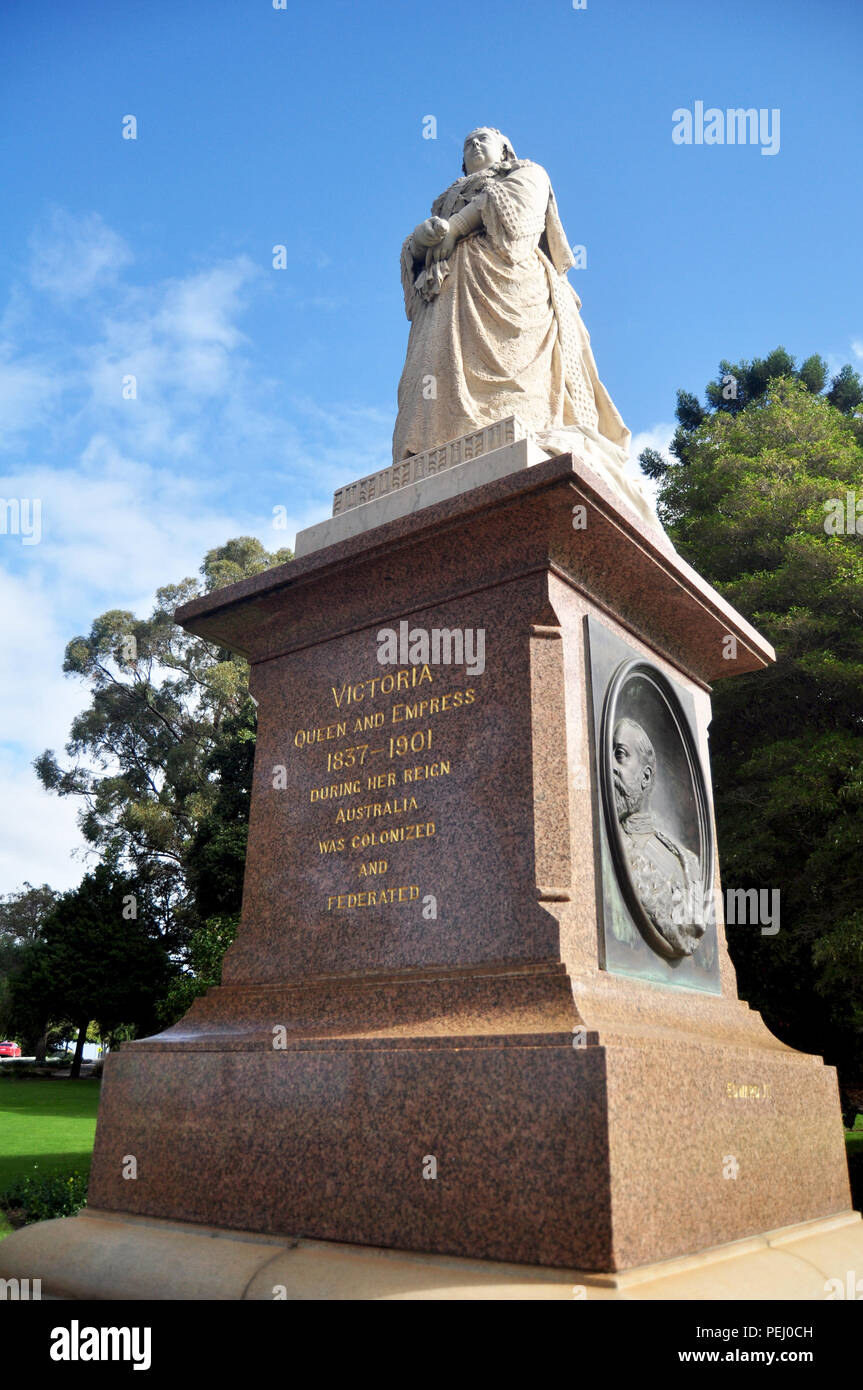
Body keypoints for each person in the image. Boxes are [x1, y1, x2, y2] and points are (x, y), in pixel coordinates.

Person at [393, 127, 657, 526]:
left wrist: (459, 228)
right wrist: (418, 240)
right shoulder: (442, 199)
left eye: (483, 138)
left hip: (507, 282)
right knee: (434, 371)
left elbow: (520, 220)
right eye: (467, 144)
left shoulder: (529, 171)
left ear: (505, 149)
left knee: (514, 374)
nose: (474, 144)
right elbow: (418, 255)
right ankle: (436, 441)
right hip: (446, 293)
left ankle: (517, 426)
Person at [612, 717, 706, 957]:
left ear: (645, 777)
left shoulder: (689, 862)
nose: (609, 766)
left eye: (620, 754)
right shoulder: (610, 846)